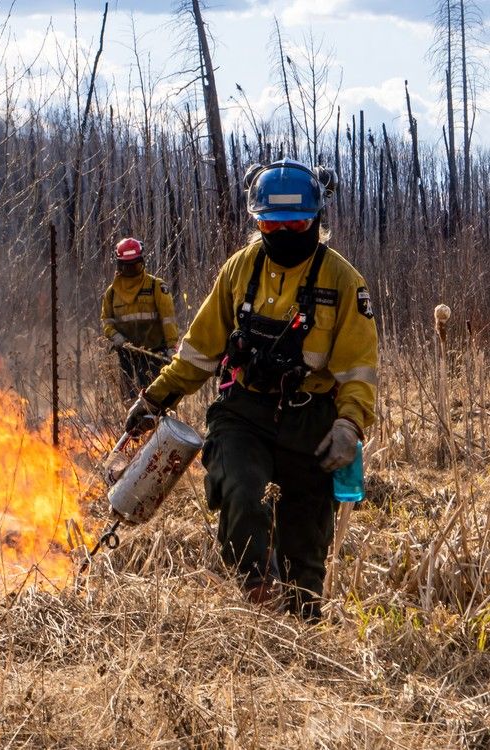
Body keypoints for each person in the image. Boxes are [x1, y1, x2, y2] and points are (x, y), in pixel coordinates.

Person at [123, 159, 378, 620]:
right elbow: (198, 351)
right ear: (256, 221)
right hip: (243, 412)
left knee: (305, 546)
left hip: (311, 420)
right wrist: (155, 398)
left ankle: (300, 622)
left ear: (316, 220)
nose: (282, 232)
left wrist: (348, 425)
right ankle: (260, 596)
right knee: (242, 495)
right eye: (269, 223)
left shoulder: (343, 282)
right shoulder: (239, 270)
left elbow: (359, 370)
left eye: (295, 222)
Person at [100, 237, 179, 399]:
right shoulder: (112, 292)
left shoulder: (155, 286)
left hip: (153, 355)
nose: (130, 270)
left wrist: (172, 347)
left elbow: (168, 319)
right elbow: (106, 321)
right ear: (119, 265)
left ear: (141, 262)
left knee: (154, 398)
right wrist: (116, 336)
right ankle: (133, 423)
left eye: (134, 265)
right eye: (126, 266)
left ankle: (156, 424)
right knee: (129, 398)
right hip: (127, 355)